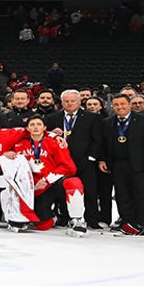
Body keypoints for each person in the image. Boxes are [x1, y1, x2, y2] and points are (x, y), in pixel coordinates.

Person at [98, 94, 144, 235]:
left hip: (140, 164)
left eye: (122, 104)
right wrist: (102, 159)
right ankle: (127, 222)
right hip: (117, 164)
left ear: (129, 105)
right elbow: (103, 144)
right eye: (116, 105)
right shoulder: (108, 122)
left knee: (142, 195)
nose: (120, 107)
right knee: (122, 195)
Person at [13, 115, 85, 235]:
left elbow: (69, 167)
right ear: (27, 128)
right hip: (35, 189)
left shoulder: (55, 143)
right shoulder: (18, 144)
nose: (35, 127)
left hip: (53, 183)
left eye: (39, 124)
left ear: (44, 128)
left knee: (73, 182)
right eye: (32, 125)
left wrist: (47, 179)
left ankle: (77, 220)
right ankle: (55, 217)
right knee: (43, 225)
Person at [45, 89, 104, 228]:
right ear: (61, 103)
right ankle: (64, 217)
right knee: (63, 190)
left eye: (73, 101)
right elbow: (46, 138)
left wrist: (91, 157)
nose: (70, 103)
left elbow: (97, 139)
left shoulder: (92, 117)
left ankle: (92, 220)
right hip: (62, 161)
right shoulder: (53, 118)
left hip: (85, 161)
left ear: (79, 102)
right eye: (66, 101)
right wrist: (51, 134)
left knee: (89, 191)